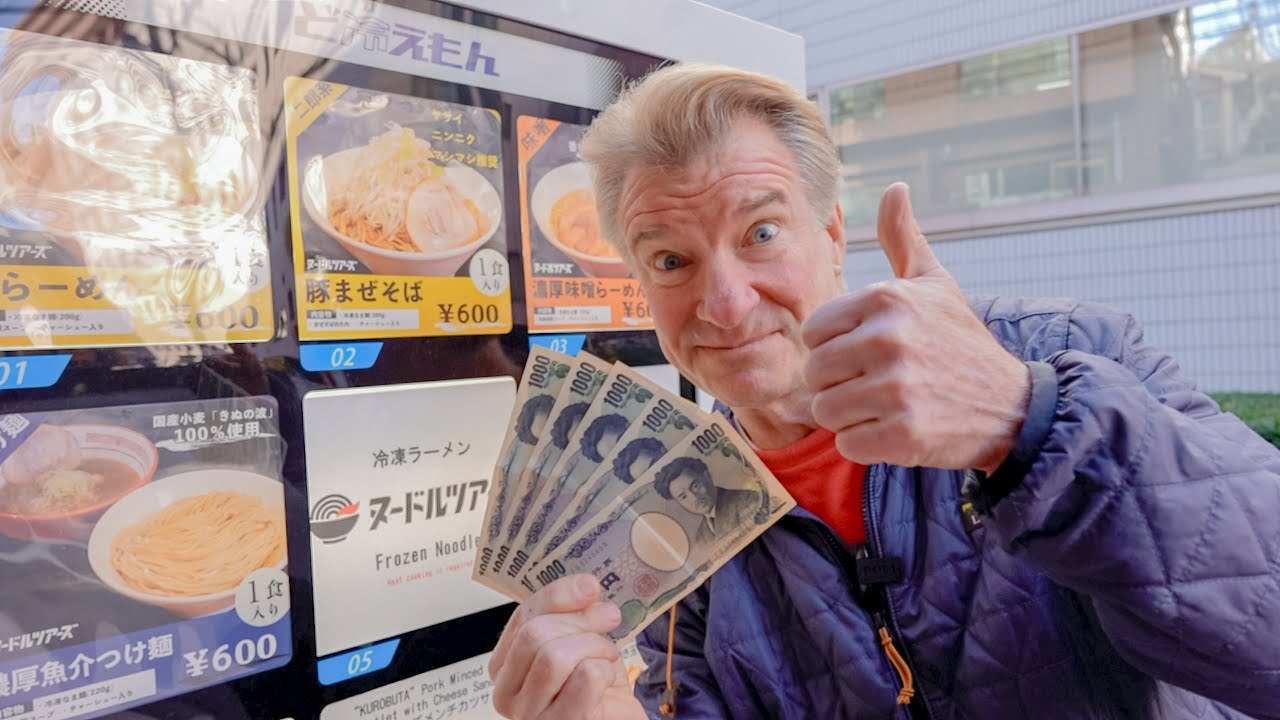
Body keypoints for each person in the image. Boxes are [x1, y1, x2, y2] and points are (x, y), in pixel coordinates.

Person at [487, 62, 1280, 720]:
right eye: (671, 261)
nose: (724, 303)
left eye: (761, 233)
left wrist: (1024, 421)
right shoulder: (673, 523)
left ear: (833, 235)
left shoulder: (1062, 354)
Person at [653, 456, 764, 544]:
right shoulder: (701, 537)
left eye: (695, 486)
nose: (694, 497)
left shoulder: (747, 500)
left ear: (707, 476)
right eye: (683, 496)